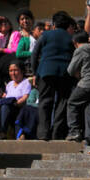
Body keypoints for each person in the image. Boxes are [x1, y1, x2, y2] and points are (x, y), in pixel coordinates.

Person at [33, 11, 75, 140]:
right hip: (65, 73)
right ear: (67, 25)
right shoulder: (70, 38)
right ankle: (57, 133)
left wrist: (36, 72)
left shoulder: (45, 35)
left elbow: (35, 53)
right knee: (62, 102)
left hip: (46, 71)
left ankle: (43, 134)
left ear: (54, 24)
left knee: (45, 102)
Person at [66, 30, 90, 147]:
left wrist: (77, 74)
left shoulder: (80, 50)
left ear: (75, 42)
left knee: (72, 103)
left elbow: (70, 70)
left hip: (87, 83)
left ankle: (74, 132)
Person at [0, 61, 33, 138]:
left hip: (18, 109)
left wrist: (15, 103)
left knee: (6, 107)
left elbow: (25, 97)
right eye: (11, 71)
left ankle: (3, 132)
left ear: (22, 71)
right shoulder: (10, 84)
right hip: (7, 109)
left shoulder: (26, 82)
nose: (13, 73)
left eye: (15, 70)